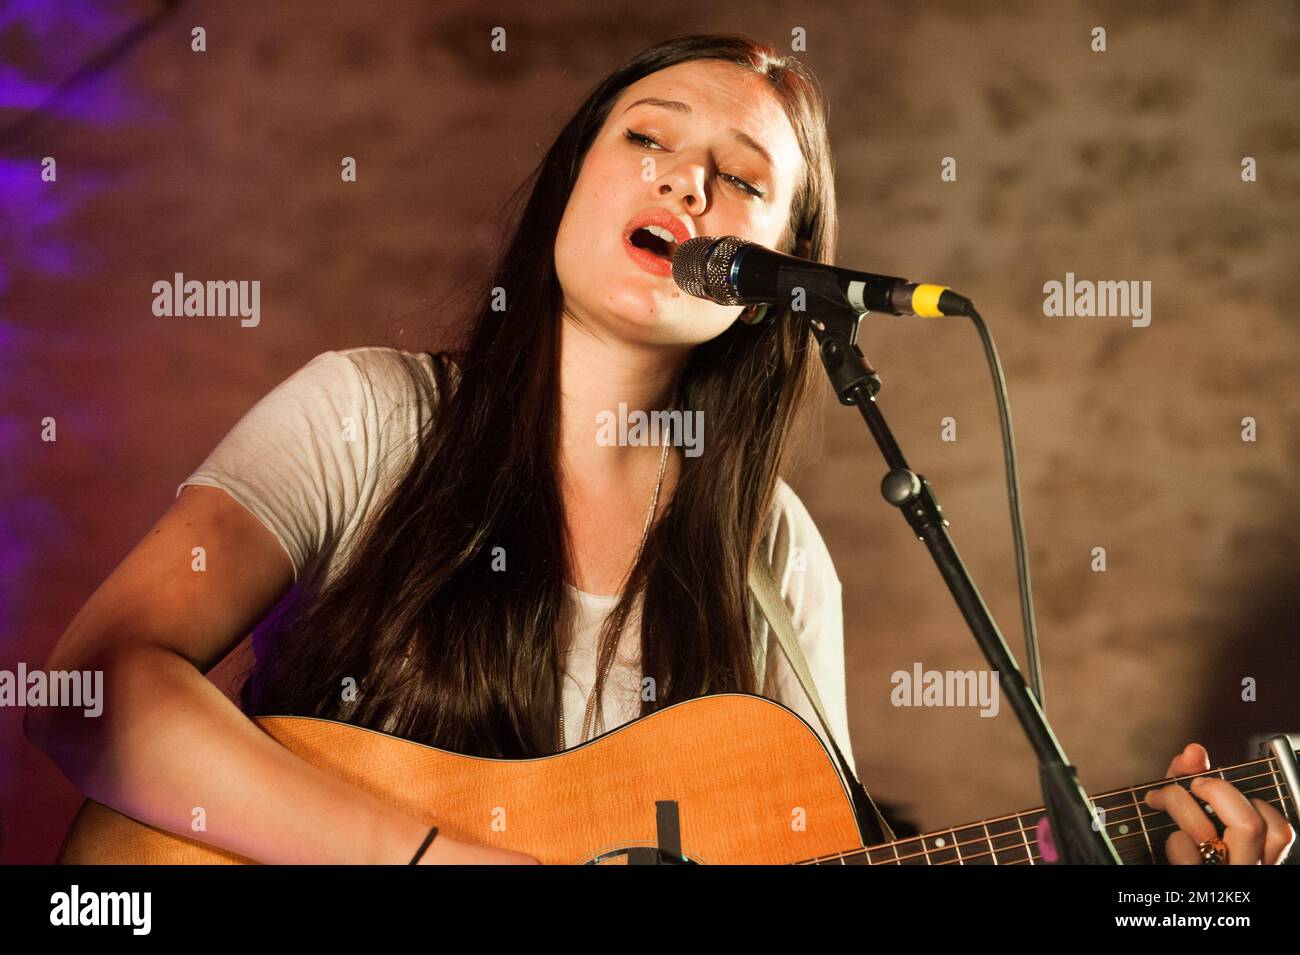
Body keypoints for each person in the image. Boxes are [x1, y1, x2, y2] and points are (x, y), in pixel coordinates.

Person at [25, 34, 1293, 866]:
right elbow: (91, 688)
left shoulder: (773, 562)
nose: (686, 182)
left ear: (767, 280)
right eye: (646, 137)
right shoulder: (368, 414)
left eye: (742, 180)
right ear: (572, 185)